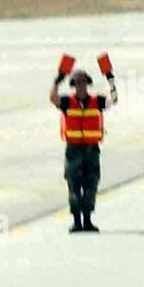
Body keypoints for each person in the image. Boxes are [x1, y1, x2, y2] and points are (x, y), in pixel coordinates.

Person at [50, 62, 117, 233]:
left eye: (83, 82)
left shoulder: (97, 100)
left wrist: (110, 79)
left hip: (91, 149)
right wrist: (58, 80)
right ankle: (76, 221)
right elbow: (53, 98)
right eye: (77, 82)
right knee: (74, 186)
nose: (80, 85)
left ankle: (87, 220)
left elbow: (113, 100)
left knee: (91, 184)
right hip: (73, 150)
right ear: (73, 85)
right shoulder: (66, 101)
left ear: (87, 84)